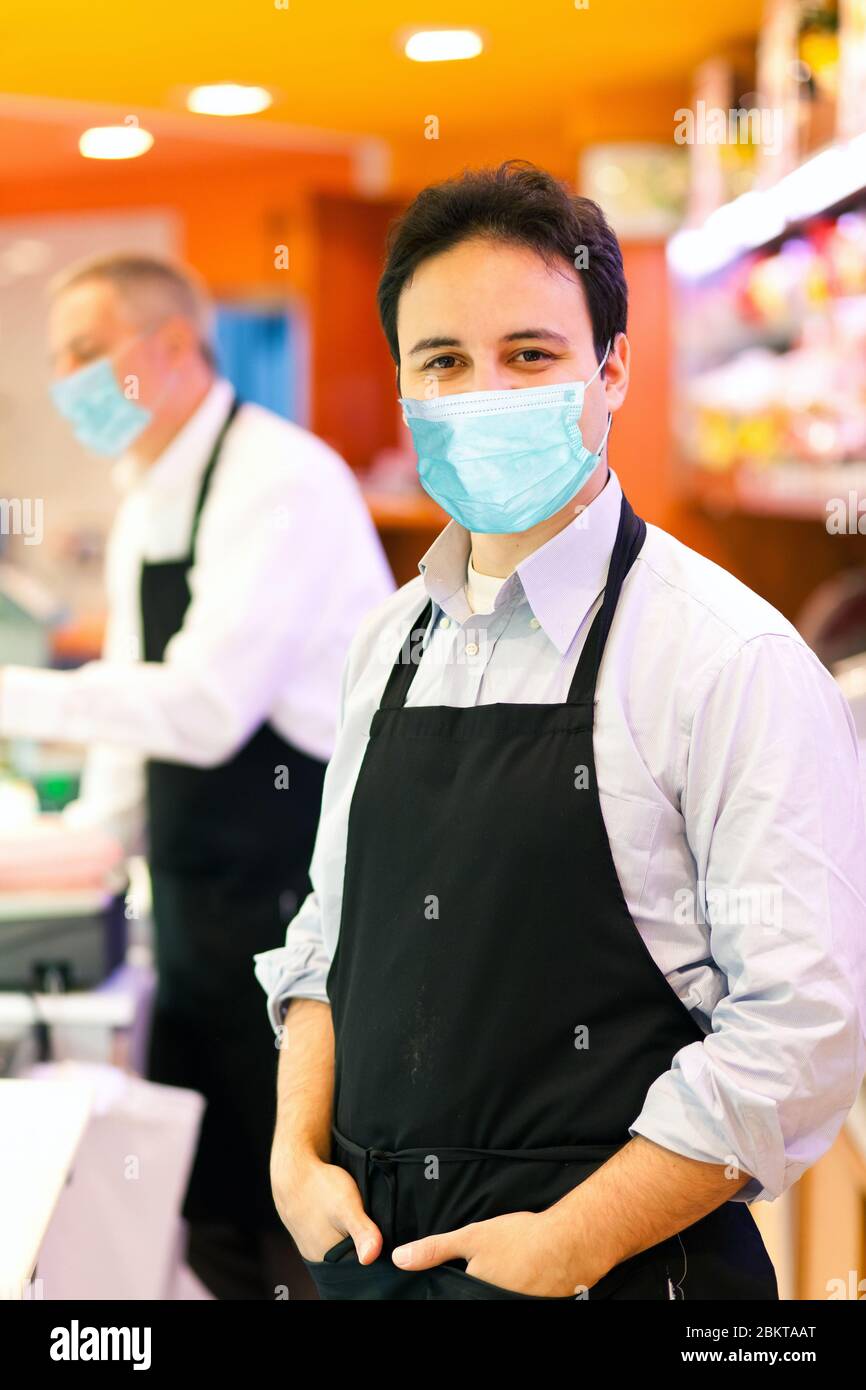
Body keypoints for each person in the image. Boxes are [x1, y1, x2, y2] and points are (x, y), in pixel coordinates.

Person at [256, 162, 866, 1301]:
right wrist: (296, 1156)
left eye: (528, 356)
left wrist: (568, 1244)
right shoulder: (385, 641)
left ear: (613, 368)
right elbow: (329, 938)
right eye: (442, 362)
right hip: (375, 1270)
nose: (481, 393)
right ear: (402, 391)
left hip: (623, 1278)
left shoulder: (725, 660)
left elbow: (799, 1036)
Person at [0, 252, 394, 1299]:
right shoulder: (146, 494)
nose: (67, 379)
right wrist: (75, 853)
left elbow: (206, 707)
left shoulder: (280, 479)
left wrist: (16, 694)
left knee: (309, 1213)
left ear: (171, 347)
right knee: (208, 1201)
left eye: (85, 352)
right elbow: (138, 725)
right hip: (193, 900)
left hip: (296, 889)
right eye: (57, 360)